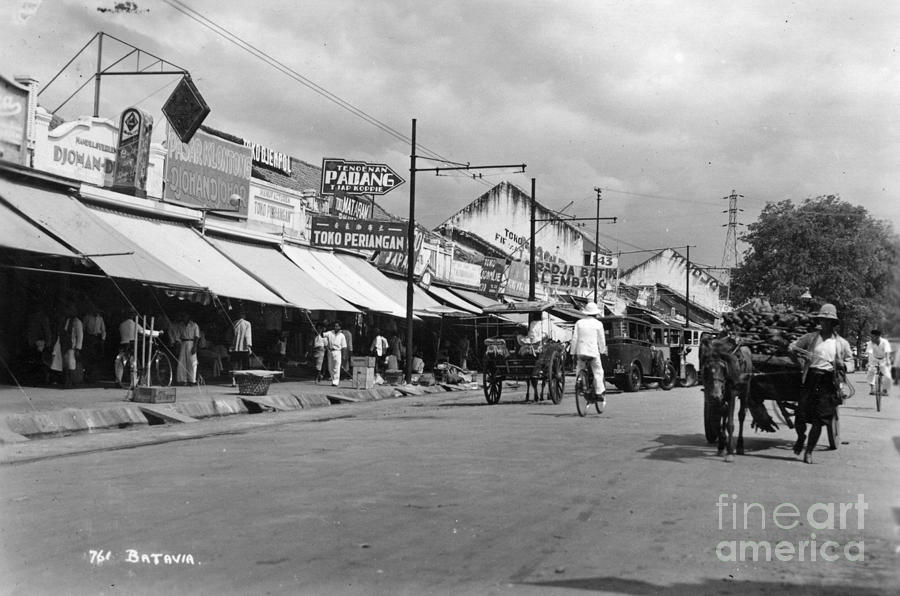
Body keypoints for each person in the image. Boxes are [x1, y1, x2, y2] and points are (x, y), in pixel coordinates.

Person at [788, 303, 854, 464]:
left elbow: (851, 362)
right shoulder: (810, 338)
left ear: (833, 324)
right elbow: (793, 347)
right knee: (801, 414)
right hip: (810, 378)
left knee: (819, 419)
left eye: (828, 321)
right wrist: (795, 352)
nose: (824, 323)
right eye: (822, 320)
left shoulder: (841, 343)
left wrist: (842, 364)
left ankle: (809, 451)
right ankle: (801, 437)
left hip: (829, 382)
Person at [570, 301, 607, 404]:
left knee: (580, 367)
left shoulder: (579, 323)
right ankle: (599, 392)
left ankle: (580, 383)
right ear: (595, 313)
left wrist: (573, 352)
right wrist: (603, 350)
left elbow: (575, 338)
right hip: (593, 352)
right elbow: (601, 340)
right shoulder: (598, 324)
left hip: (581, 351)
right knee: (598, 371)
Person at [114, 313, 162, 386]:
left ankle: (118, 380)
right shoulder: (134, 324)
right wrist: (157, 332)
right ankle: (133, 382)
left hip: (123, 344)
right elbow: (143, 331)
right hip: (131, 344)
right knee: (133, 363)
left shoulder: (121, 324)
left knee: (120, 363)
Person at [50, 304, 83, 388]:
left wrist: (78, 348)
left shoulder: (77, 322)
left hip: (71, 345)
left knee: (70, 364)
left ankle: (70, 381)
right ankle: (65, 381)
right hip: (63, 344)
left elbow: (80, 336)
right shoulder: (65, 320)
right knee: (64, 364)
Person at [170, 312, 200, 385]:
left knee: (192, 362)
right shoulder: (181, 325)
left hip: (191, 343)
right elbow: (177, 336)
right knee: (182, 361)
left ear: (188, 316)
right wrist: (177, 344)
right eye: (183, 316)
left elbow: (196, 336)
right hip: (183, 343)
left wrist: (195, 346)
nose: (184, 317)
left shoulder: (194, 325)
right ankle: (182, 380)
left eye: (185, 316)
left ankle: (192, 380)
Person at [81, 306, 106, 382]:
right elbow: (83, 328)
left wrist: (103, 339)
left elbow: (103, 330)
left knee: (97, 357)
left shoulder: (100, 318)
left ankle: (94, 375)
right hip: (89, 338)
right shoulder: (87, 317)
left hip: (97, 338)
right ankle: (87, 375)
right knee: (89, 357)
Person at [865, 329, 892, 395]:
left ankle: (885, 390)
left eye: (872, 337)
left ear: (878, 336)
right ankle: (872, 389)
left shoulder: (884, 342)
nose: (871, 338)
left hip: (884, 359)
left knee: (887, 375)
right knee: (870, 371)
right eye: (870, 336)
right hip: (874, 358)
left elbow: (887, 351)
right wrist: (869, 363)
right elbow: (870, 353)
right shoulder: (870, 343)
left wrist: (888, 361)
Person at [230, 310, 253, 385]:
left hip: (235, 348)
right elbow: (247, 336)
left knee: (235, 365)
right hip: (244, 348)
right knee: (244, 365)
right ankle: (244, 380)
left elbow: (231, 336)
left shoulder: (234, 323)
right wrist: (249, 347)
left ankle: (234, 379)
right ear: (244, 316)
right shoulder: (247, 324)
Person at [324, 321, 347, 386]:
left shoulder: (342, 335)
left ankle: (336, 381)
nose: (335, 327)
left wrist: (344, 355)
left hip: (337, 351)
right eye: (335, 326)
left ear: (340, 327)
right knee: (330, 367)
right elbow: (322, 335)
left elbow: (344, 346)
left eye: (337, 326)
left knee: (336, 367)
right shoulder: (330, 333)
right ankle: (333, 378)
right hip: (330, 351)